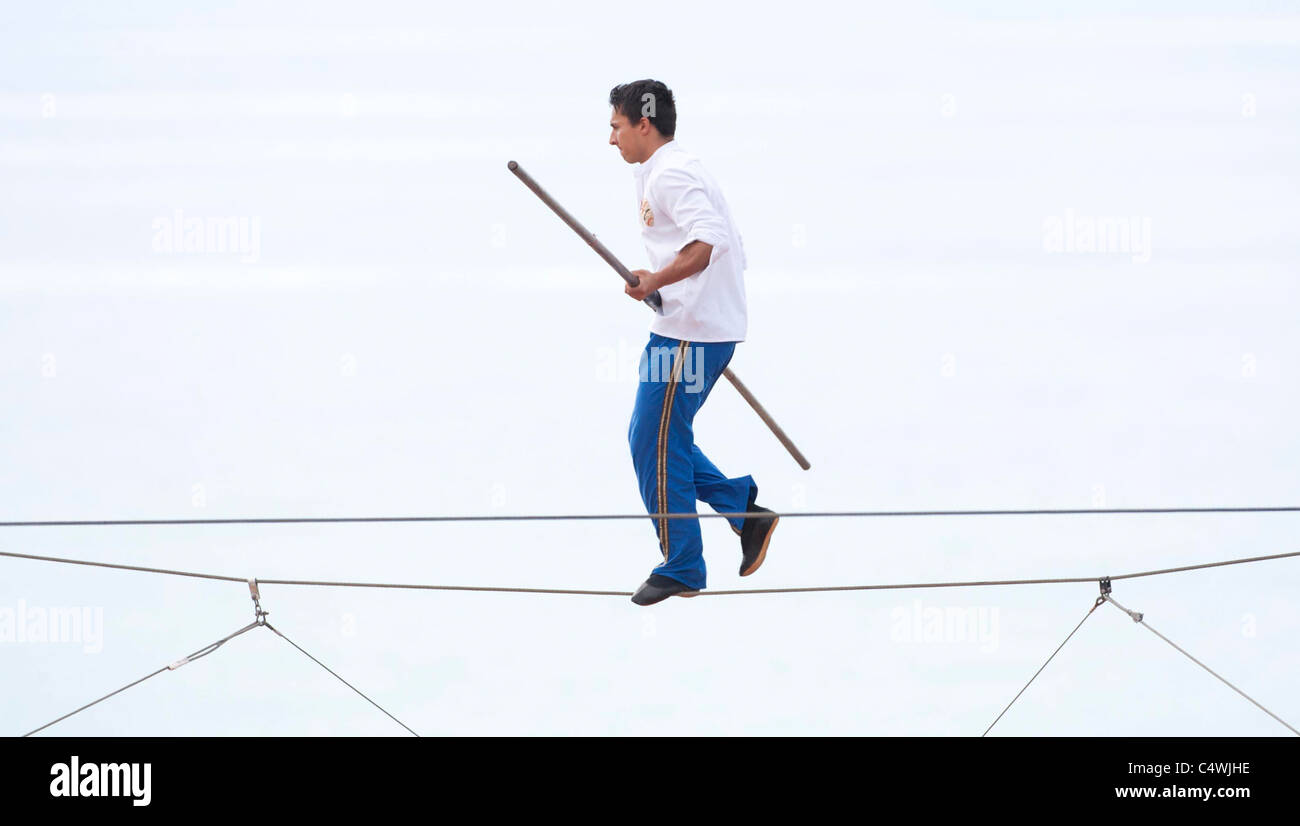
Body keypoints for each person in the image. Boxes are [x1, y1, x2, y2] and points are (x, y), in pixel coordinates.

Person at [607, 79, 779, 606]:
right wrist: (662, 289)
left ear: (644, 122)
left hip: (692, 337)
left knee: (654, 441)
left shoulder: (673, 173)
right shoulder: (657, 170)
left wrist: (654, 282)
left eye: (616, 126)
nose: (611, 139)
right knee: (659, 438)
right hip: (684, 328)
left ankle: (683, 562)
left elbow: (708, 244)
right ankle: (741, 511)